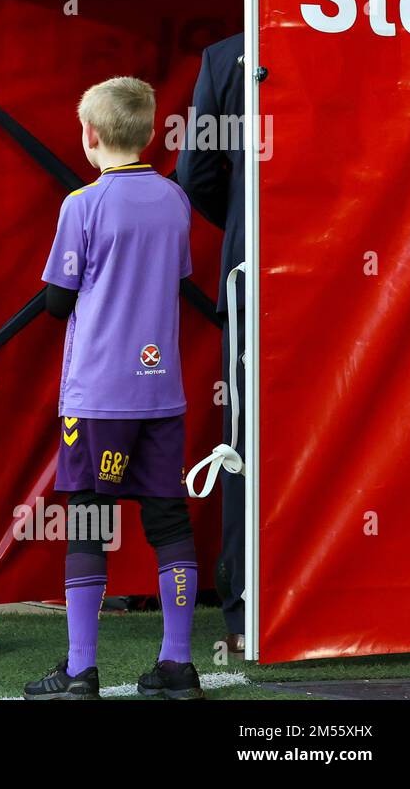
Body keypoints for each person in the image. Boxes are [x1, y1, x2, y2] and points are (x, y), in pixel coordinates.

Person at [24, 77, 202, 700]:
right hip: (162, 392)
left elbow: (56, 303)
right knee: (168, 520)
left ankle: (80, 670)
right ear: (150, 132)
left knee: (89, 525)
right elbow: (175, 277)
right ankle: (177, 664)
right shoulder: (175, 199)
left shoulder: (83, 203)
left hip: (99, 393)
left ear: (90, 135)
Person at [175, 32, 246, 655]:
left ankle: (245, 609)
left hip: (253, 271)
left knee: (246, 440)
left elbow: (195, 172)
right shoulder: (373, 20)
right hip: (367, 270)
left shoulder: (226, 57)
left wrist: (247, 220)